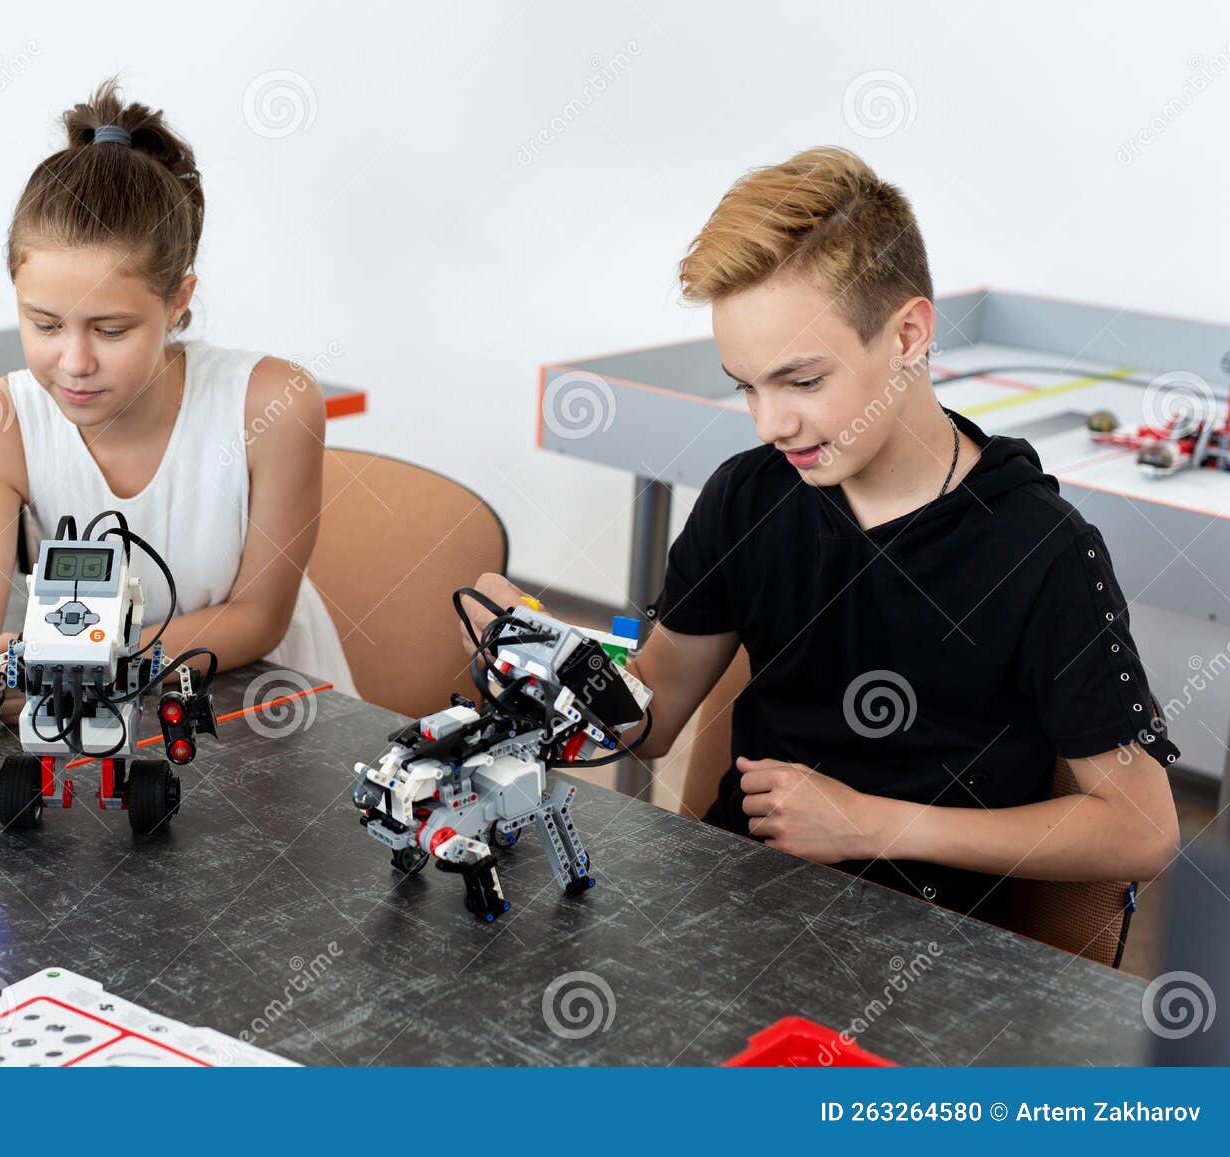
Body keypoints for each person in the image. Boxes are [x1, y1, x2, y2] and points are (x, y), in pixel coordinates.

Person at [468, 146, 1178, 926]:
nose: (773, 423)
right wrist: (542, 659)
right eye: (747, 386)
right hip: (734, 907)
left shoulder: (1043, 551)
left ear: (908, 335)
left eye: (803, 381)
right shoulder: (749, 495)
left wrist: (868, 822)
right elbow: (651, 715)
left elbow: (1141, 829)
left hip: (923, 950)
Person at [0, 80, 357, 710]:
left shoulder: (272, 403)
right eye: (44, 325)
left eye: (111, 330)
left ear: (177, 301)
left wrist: (78, 664)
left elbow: (259, 618)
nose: (74, 363)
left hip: (261, 703)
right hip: (93, 701)